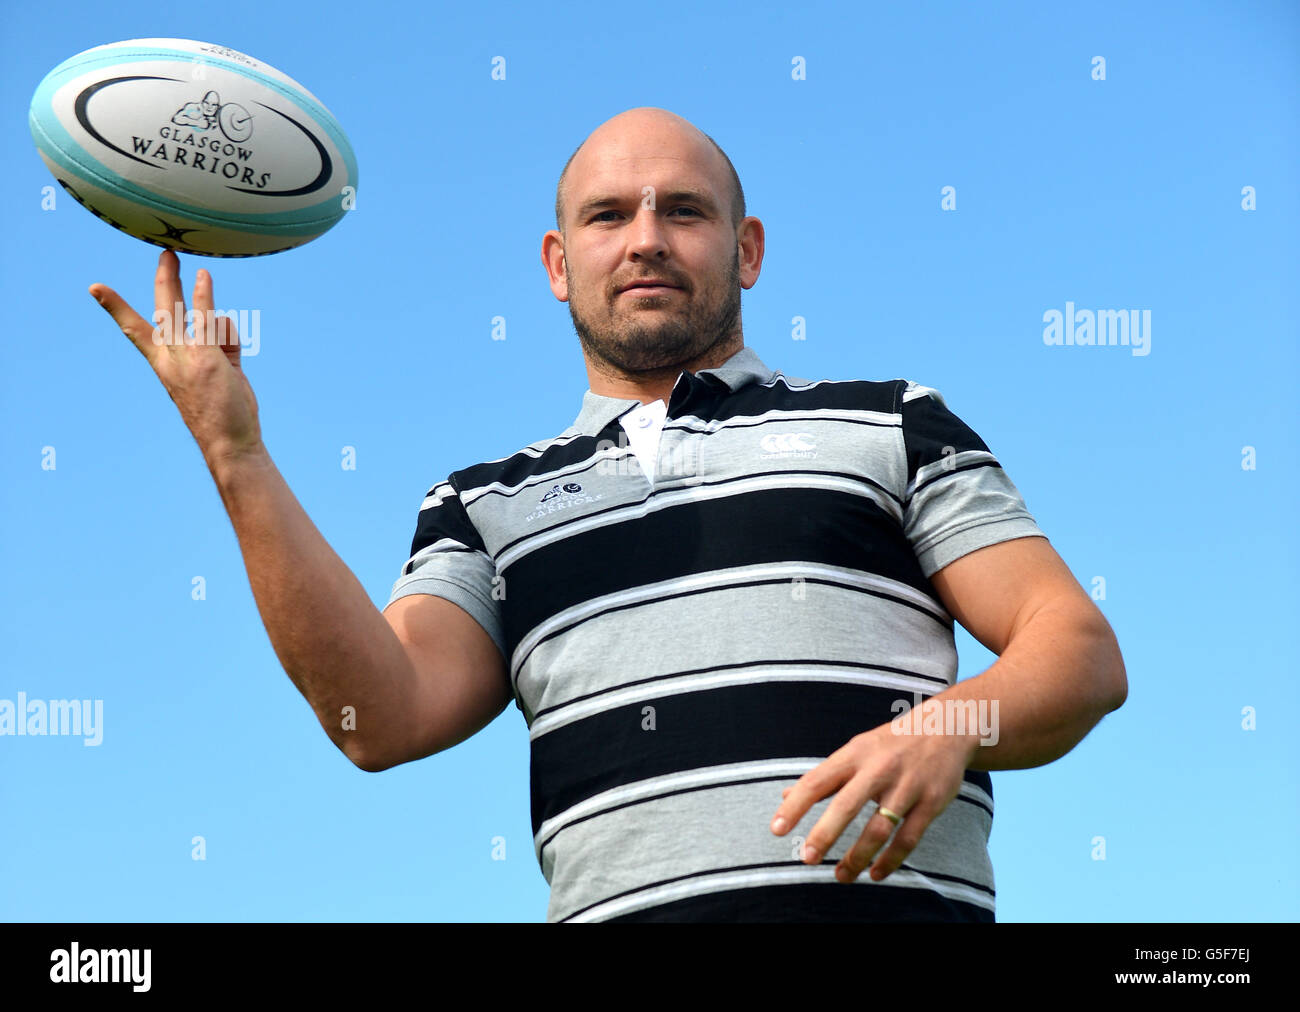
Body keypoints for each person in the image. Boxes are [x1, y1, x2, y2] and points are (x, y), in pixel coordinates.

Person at [88, 106, 1127, 924]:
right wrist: (237, 456)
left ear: (747, 247)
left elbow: (1077, 653)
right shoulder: (481, 505)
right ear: (555, 265)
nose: (645, 240)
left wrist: (954, 722)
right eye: (607, 216)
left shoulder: (890, 423)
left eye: (683, 210)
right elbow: (382, 716)